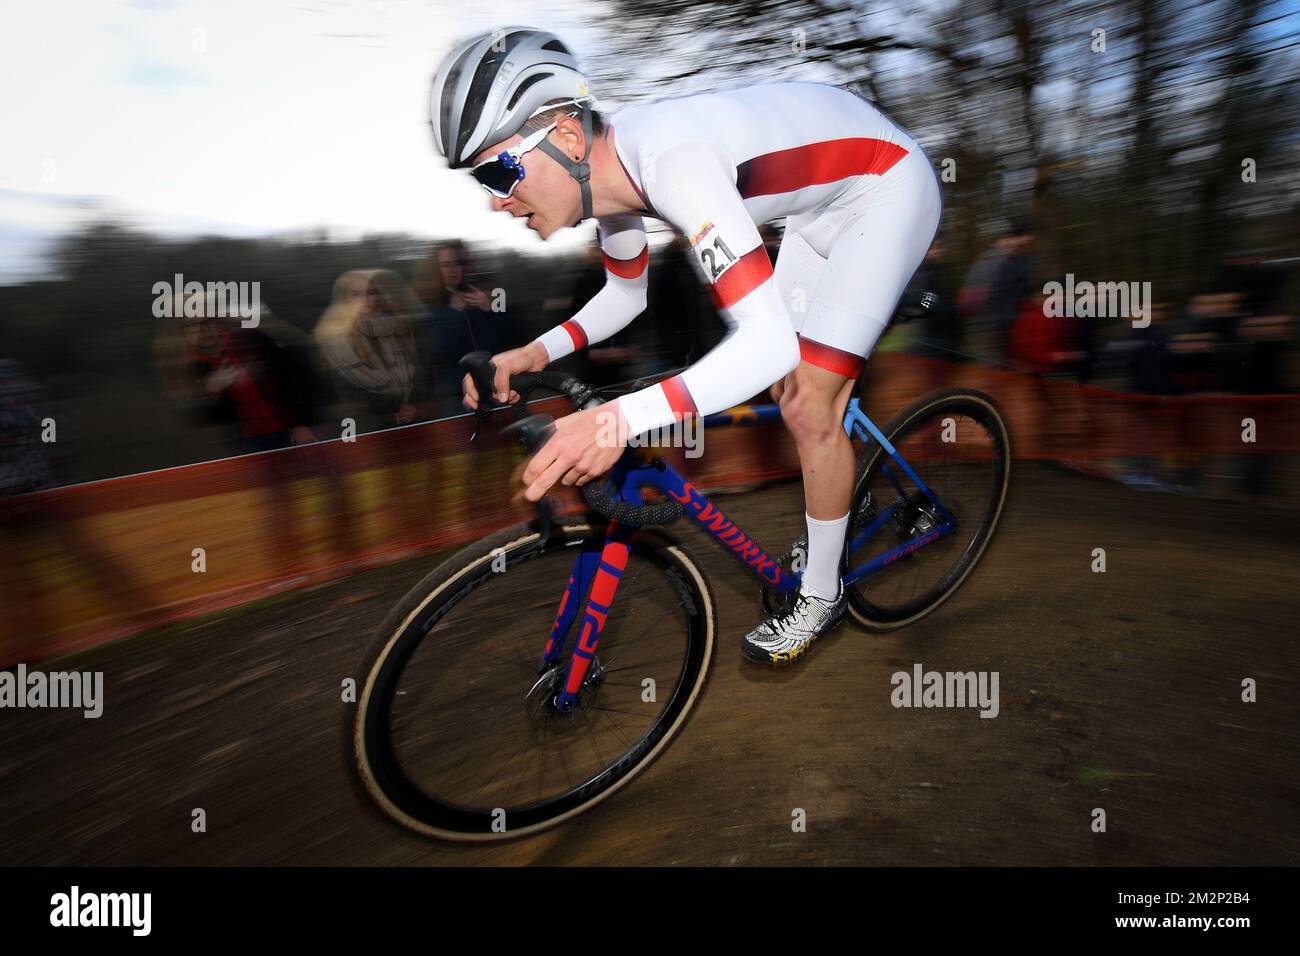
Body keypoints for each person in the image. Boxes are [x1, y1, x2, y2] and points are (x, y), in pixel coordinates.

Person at [432, 27, 941, 664]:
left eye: (498, 169)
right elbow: (626, 295)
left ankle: (820, 594)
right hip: (817, 209)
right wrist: (531, 355)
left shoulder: (674, 165)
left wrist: (617, 420)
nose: (495, 200)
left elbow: (766, 344)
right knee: (797, 395)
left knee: (808, 402)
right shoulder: (611, 182)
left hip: (886, 187)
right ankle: (841, 490)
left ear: (564, 138)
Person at [314, 269, 424, 434]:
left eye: (371, 292)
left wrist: (413, 405)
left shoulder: (397, 328)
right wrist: (397, 408)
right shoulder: (335, 341)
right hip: (367, 429)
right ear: (344, 300)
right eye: (356, 294)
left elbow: (421, 373)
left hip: (412, 421)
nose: (366, 299)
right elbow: (345, 395)